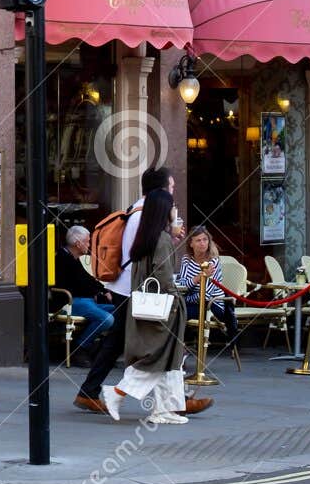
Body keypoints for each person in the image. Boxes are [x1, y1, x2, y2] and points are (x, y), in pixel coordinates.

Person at [74, 167, 211, 416]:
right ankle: (171, 400)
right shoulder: (143, 216)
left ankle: (91, 391)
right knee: (158, 343)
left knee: (125, 343)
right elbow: (145, 254)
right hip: (134, 291)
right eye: (170, 187)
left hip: (128, 289)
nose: (173, 192)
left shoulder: (138, 212)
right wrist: (168, 236)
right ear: (159, 191)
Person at [104, 188, 188, 423]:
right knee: (157, 357)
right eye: (173, 207)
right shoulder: (161, 240)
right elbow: (163, 275)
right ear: (164, 211)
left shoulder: (147, 237)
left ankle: (164, 409)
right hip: (162, 306)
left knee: (169, 359)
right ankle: (117, 392)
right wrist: (175, 298)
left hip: (145, 304)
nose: (175, 211)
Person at [55, 225, 114, 351]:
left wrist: (103, 291)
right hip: (69, 303)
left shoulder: (73, 258)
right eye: (87, 241)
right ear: (77, 243)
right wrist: (99, 291)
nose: (89, 244)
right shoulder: (62, 258)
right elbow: (78, 285)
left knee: (118, 311)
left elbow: (87, 279)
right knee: (107, 319)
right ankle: (80, 347)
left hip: (84, 301)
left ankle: (103, 349)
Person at [178, 226, 238, 340]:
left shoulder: (213, 262)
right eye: (198, 240)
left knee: (178, 311)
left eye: (205, 239)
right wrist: (198, 278)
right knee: (174, 309)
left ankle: (182, 346)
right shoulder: (186, 259)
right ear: (191, 244)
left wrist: (185, 298)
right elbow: (182, 285)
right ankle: (181, 346)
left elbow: (205, 296)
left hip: (213, 306)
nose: (202, 243)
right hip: (194, 304)